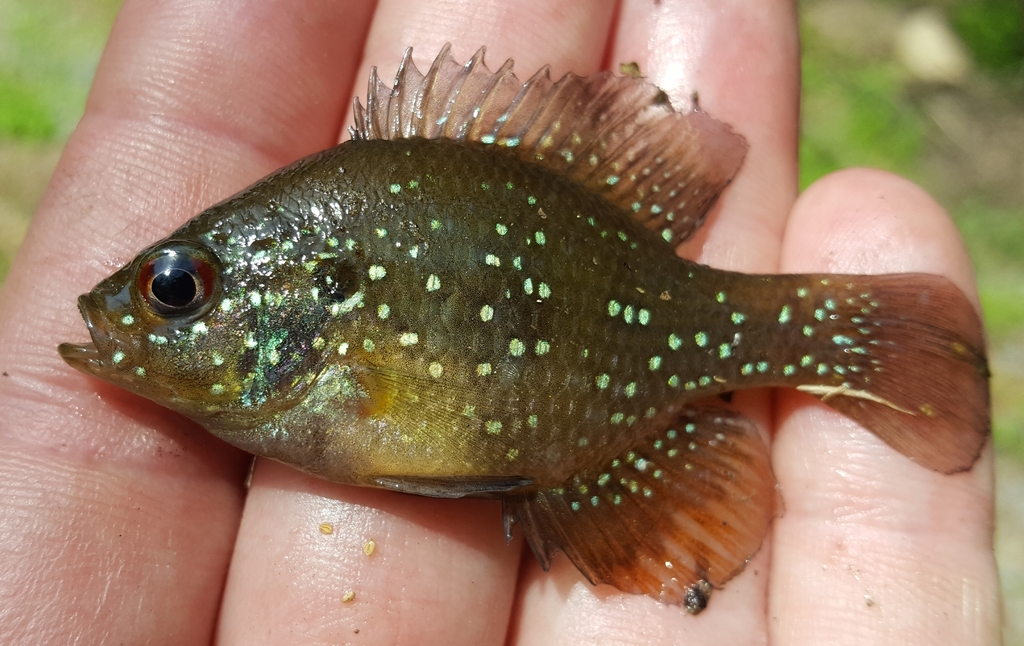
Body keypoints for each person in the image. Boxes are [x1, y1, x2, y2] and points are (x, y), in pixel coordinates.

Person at [0, 1, 1000, 643]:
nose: (144, 309)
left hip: (603, 413)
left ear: (300, 289)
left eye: (180, 290)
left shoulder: (328, 321)